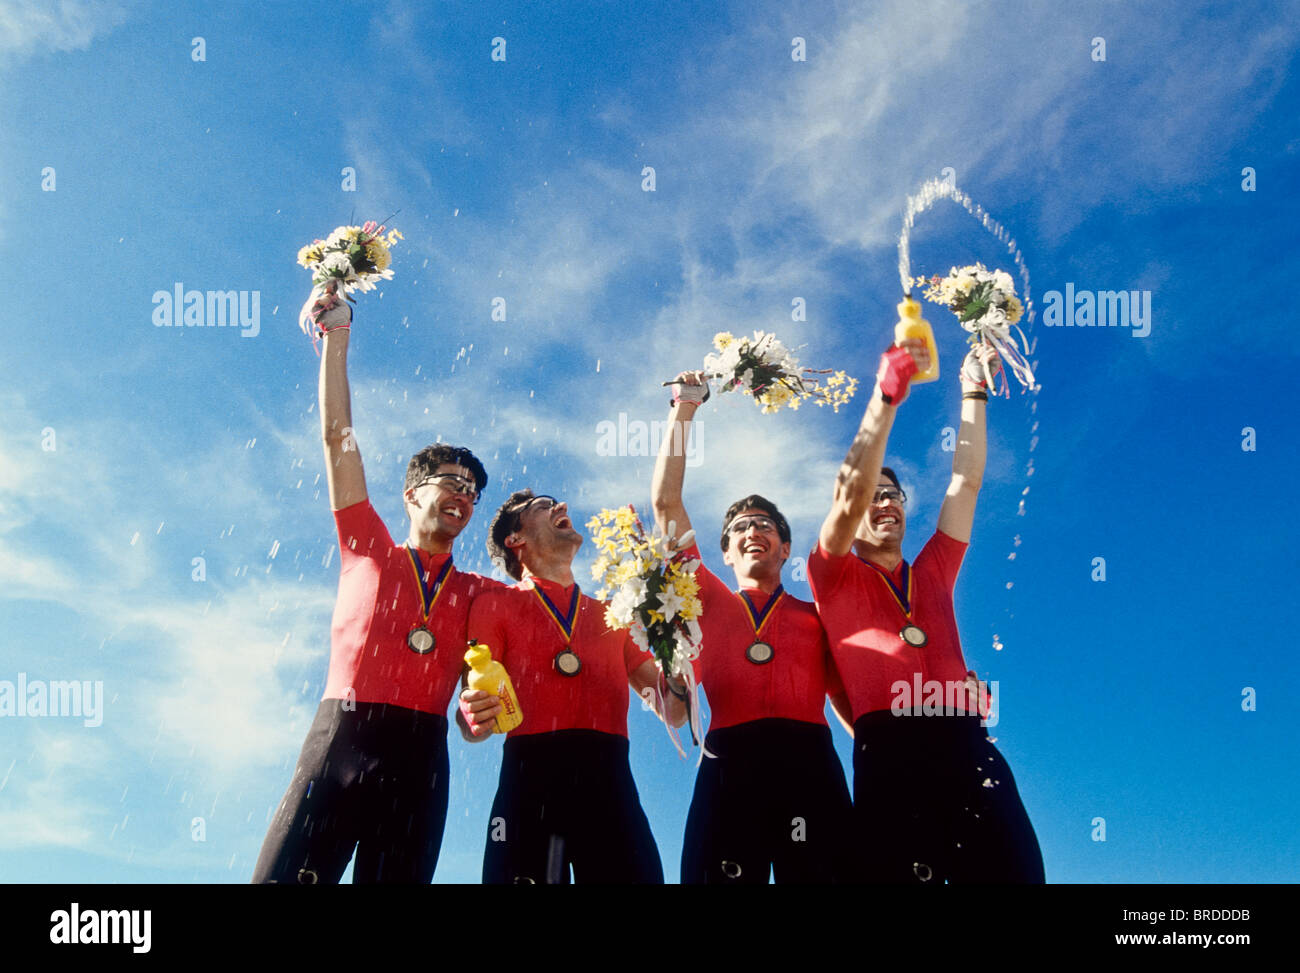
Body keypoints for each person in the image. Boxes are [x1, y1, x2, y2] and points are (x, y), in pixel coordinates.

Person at [252, 287, 501, 884]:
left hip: (422, 763)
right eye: (451, 482)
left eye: (472, 491)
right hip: (338, 738)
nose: (463, 496)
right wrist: (336, 340)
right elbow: (338, 437)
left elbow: (472, 716)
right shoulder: (366, 544)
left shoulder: (478, 594)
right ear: (412, 494)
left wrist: (477, 714)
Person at [808, 336, 1045, 884]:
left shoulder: (934, 567)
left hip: (966, 742)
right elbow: (849, 494)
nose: (884, 502)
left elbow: (965, 481)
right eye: (876, 495)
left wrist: (973, 392)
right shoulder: (831, 573)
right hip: (891, 756)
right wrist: (885, 399)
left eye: (894, 494)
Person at [650, 373, 854, 884]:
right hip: (728, 766)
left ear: (786, 548)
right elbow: (666, 506)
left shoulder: (818, 614)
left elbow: (848, 702)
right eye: (739, 527)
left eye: (766, 524)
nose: (753, 531)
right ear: (723, 551)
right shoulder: (708, 601)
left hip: (811, 769)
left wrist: (891, 755)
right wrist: (685, 408)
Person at [459, 489, 686, 883]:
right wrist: (472, 717)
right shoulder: (494, 604)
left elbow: (674, 712)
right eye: (543, 506)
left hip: (612, 790)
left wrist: (678, 655)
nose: (561, 507)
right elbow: (472, 720)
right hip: (528, 788)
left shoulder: (614, 615)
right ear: (516, 541)